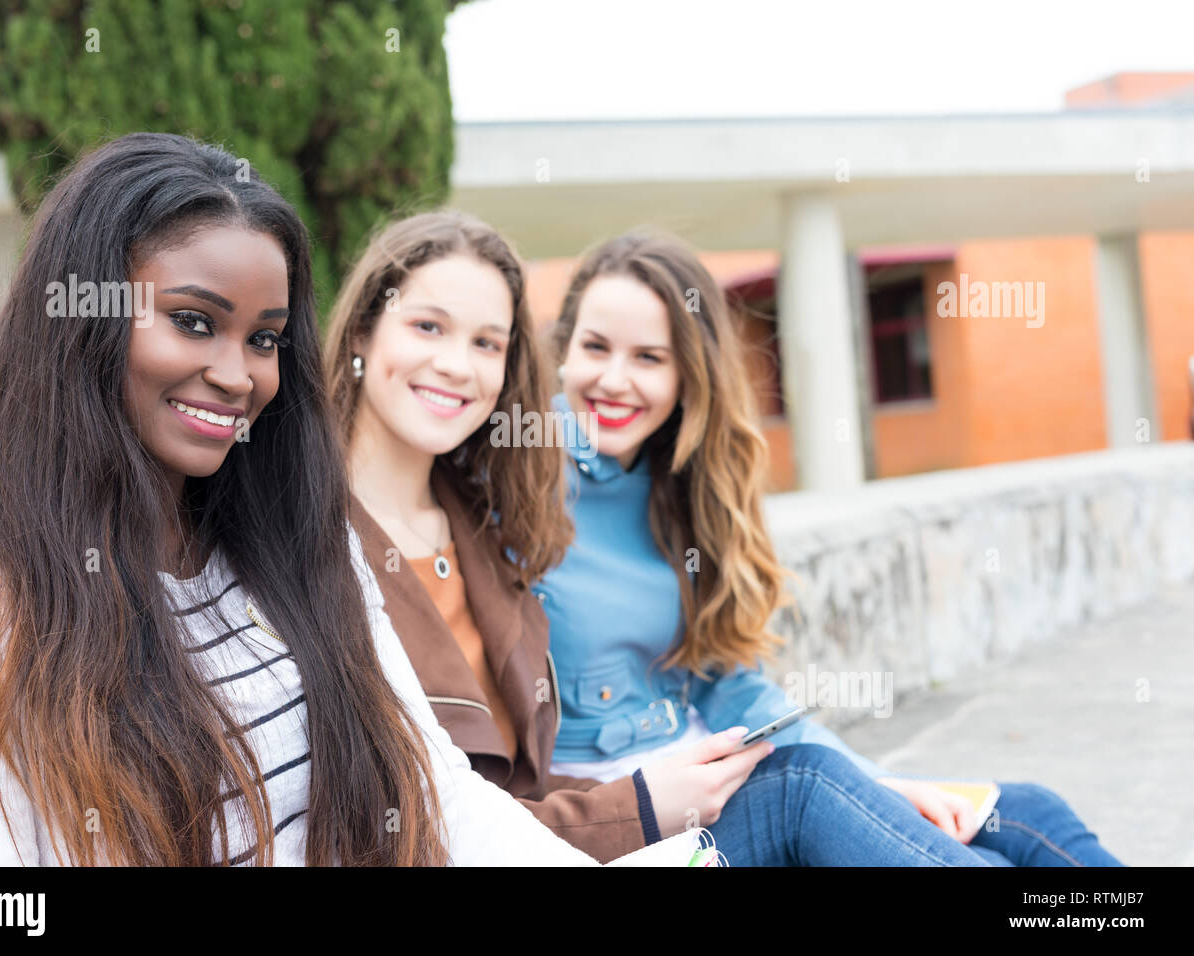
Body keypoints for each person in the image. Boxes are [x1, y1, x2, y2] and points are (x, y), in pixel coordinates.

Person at [0, 133, 610, 866]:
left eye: (264, 338)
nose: (239, 375)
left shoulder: (303, 545)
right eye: (194, 322)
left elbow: (439, 796)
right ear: (83, 320)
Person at [325, 209, 1018, 865]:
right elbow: (438, 817)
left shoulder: (473, 508)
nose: (456, 364)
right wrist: (643, 805)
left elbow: (721, 680)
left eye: (486, 343)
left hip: (607, 806)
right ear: (361, 330)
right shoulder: (329, 545)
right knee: (809, 791)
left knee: (1008, 818)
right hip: (578, 823)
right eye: (427, 327)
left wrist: (875, 783)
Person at [536, 229, 1125, 867]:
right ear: (562, 349)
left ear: (689, 375)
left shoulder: (680, 485)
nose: (614, 379)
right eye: (595, 347)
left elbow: (725, 680)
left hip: (715, 770)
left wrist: (875, 782)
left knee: (1027, 812)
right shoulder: (516, 481)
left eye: (649, 358)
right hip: (627, 809)